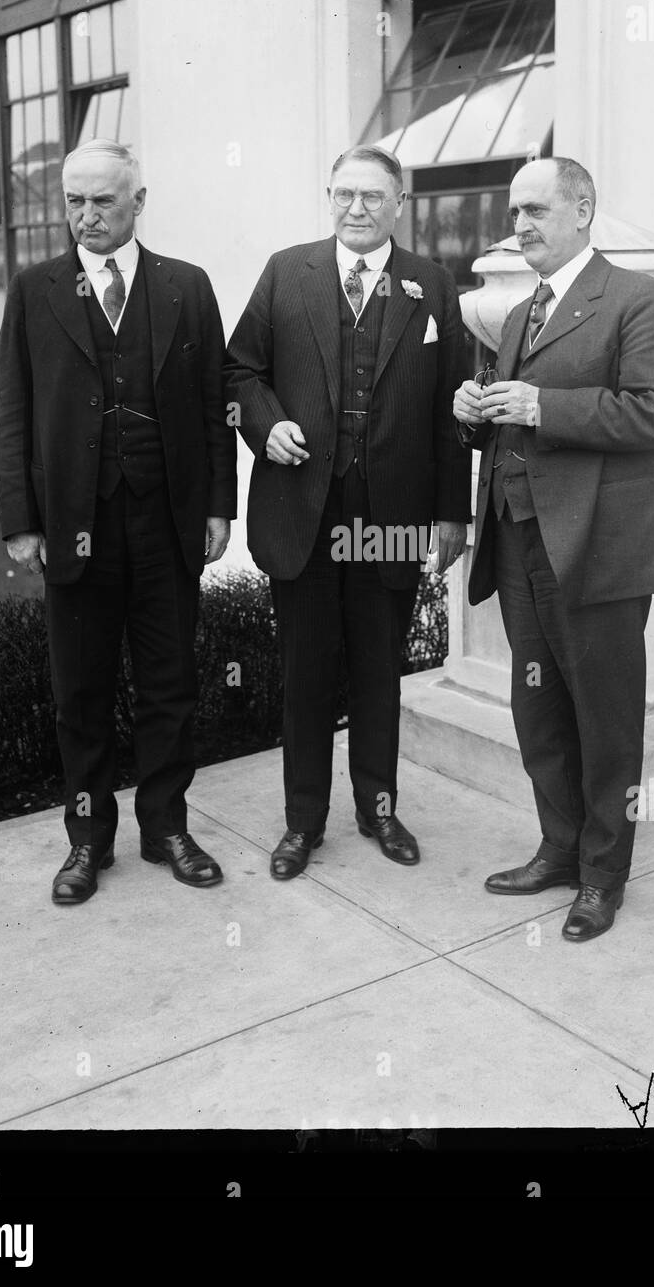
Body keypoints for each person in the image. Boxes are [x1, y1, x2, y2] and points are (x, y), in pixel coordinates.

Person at [0, 139, 237, 904]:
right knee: (81, 692)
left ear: (138, 202)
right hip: (73, 525)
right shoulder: (35, 291)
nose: (86, 215)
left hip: (165, 523)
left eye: (102, 200)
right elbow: (13, 410)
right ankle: (87, 841)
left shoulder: (185, 287)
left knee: (171, 684)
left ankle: (166, 828)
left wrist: (218, 507)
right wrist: (20, 521)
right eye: (73, 201)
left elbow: (211, 407)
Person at [453, 156, 654, 941]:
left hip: (599, 548)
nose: (517, 227)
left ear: (582, 209)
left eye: (533, 212)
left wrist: (539, 403)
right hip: (522, 540)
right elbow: (511, 420)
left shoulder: (636, 300)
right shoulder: (521, 313)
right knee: (539, 706)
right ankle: (557, 848)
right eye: (513, 213)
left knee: (605, 716)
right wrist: (475, 411)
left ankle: (601, 876)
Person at [224, 144, 471, 879]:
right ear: (327, 198)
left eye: (371, 196)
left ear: (400, 203)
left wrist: (450, 515)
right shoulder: (285, 270)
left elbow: (449, 409)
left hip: (388, 520)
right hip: (302, 512)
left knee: (376, 671)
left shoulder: (430, 284)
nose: (355, 209)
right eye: (343, 195)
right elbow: (239, 369)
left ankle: (379, 808)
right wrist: (264, 425)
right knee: (304, 675)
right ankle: (303, 823)